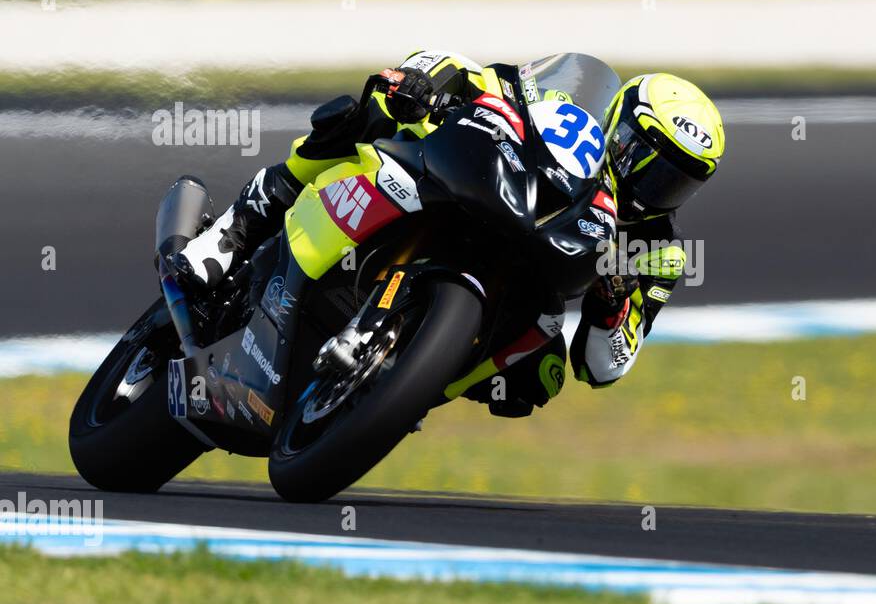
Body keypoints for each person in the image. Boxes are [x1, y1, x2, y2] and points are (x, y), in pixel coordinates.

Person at [173, 51, 726, 416]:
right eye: (651, 161)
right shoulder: (565, 114)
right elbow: (486, 79)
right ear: (621, 127)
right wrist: (425, 81)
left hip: (532, 279)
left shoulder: (656, 251)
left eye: (677, 181)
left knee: (544, 374)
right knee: (373, 117)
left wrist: (611, 301)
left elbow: (606, 364)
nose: (657, 186)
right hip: (495, 192)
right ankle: (236, 230)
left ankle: (401, 383)